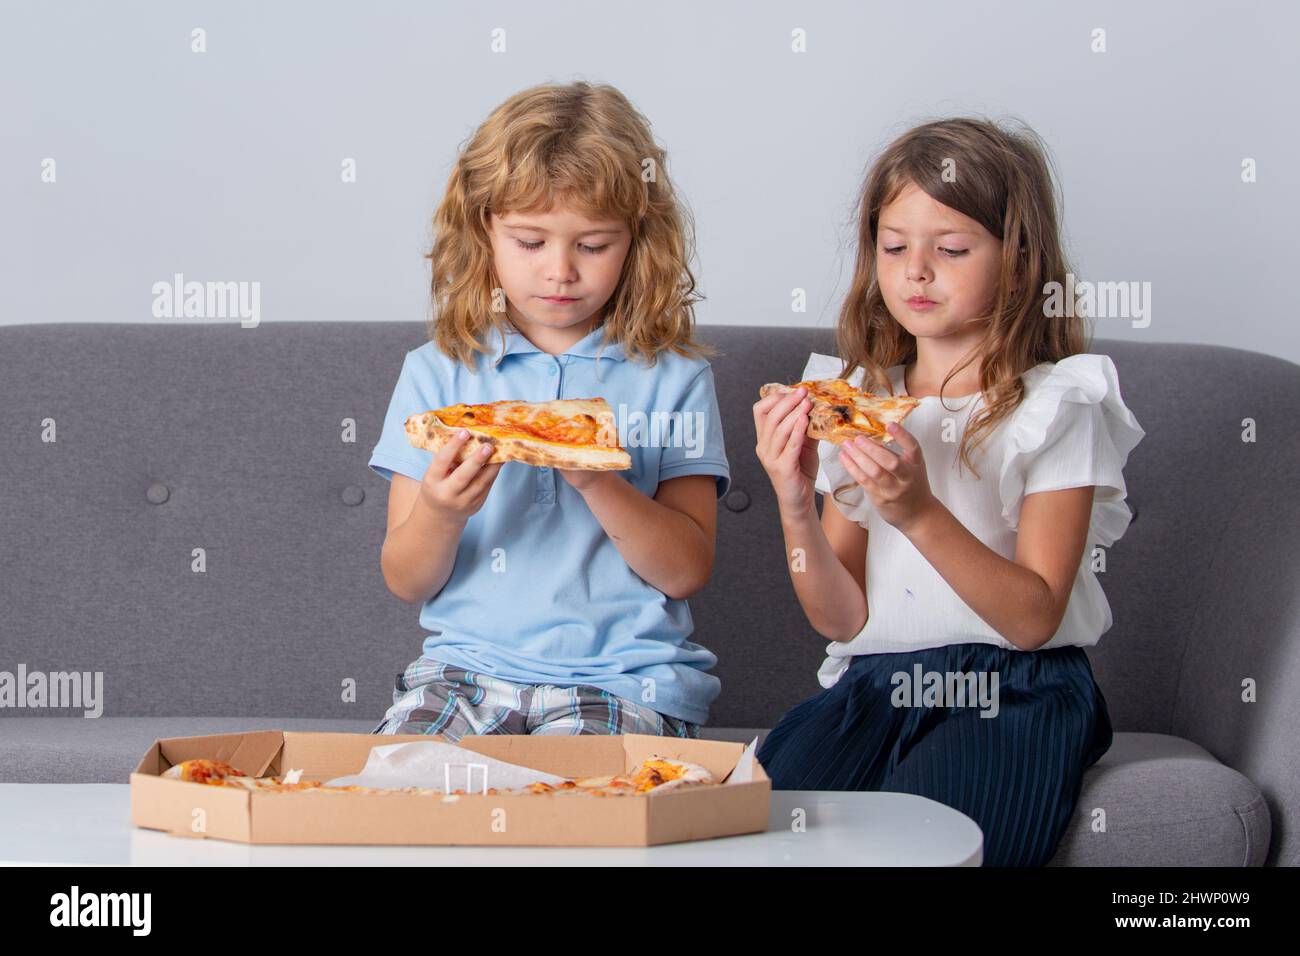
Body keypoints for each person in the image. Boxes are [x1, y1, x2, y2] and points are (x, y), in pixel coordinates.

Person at [753, 117, 1145, 866]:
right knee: (749, 836)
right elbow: (839, 618)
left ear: (1020, 261)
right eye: (895, 247)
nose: (916, 272)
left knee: (928, 850)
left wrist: (918, 512)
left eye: (952, 249)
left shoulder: (1059, 405)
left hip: (1015, 688)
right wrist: (795, 499)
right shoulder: (858, 399)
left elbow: (1032, 617)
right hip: (872, 688)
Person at [368, 82, 730, 741]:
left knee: (580, 823)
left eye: (592, 246)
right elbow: (406, 577)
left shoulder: (674, 376)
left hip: (621, 676)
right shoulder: (437, 371)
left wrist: (596, 476)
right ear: (484, 232)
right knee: (396, 806)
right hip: (462, 673)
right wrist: (443, 511)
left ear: (638, 241)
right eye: (530, 242)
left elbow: (685, 570)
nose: (560, 271)